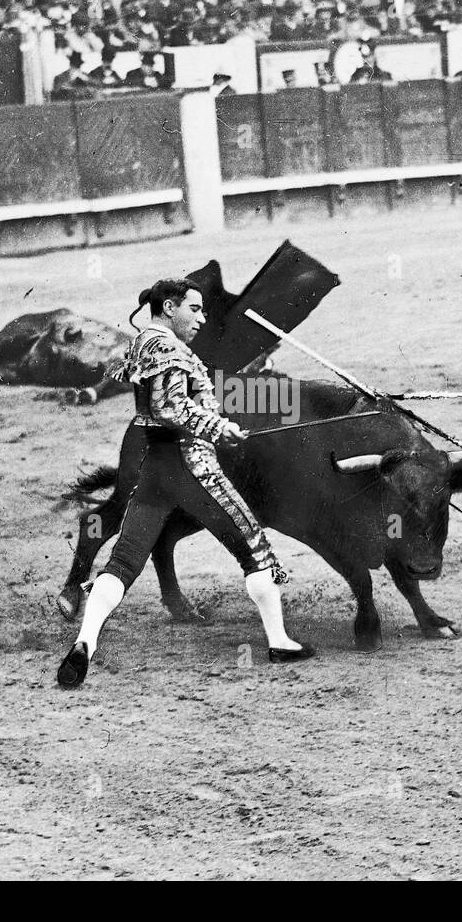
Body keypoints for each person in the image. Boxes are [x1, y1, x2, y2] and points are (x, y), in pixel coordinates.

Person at [57, 278, 314, 689]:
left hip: (154, 467)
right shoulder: (172, 349)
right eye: (194, 309)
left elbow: (140, 388)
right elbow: (171, 408)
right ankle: (280, 641)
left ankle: (85, 641)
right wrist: (220, 426)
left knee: (123, 563)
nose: (202, 317)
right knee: (254, 547)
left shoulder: (143, 342)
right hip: (190, 464)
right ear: (169, 307)